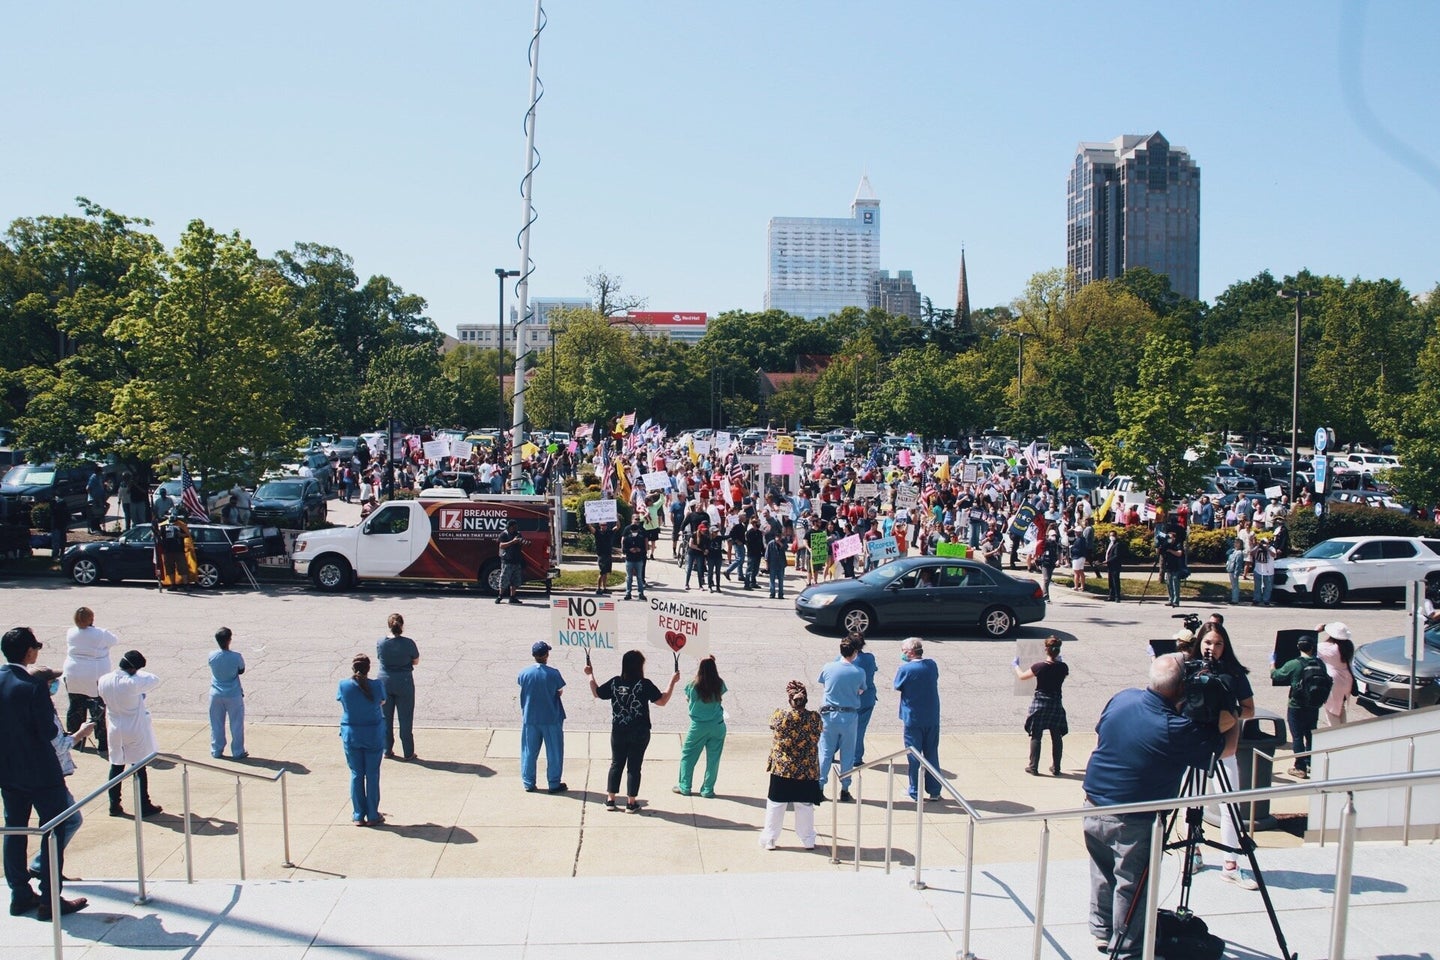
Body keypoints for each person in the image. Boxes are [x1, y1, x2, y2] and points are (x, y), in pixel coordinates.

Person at [1083, 654, 1231, 959]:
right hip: (1132, 819)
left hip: (1092, 805)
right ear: (1181, 689)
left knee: (1103, 871)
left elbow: (1104, 731)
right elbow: (1224, 750)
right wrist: (1232, 715)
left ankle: (1103, 932)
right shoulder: (1173, 728)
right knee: (1132, 886)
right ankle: (1128, 951)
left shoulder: (1123, 698)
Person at [1, 627, 88, 920]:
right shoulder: (32, 686)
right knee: (54, 830)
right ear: (29, 653)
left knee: (14, 831)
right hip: (41, 773)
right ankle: (50, 899)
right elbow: (49, 732)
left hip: (8, 773)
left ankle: (20, 894)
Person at [1194, 622, 1259, 889]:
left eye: (1218, 643)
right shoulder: (1191, 669)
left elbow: (1250, 709)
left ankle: (1230, 863)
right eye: (1208, 642)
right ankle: (1193, 852)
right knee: (1192, 802)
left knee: (1229, 805)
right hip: (1195, 744)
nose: (1212, 648)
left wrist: (1229, 714)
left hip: (1224, 746)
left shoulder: (1234, 674)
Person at [585, 649, 678, 813]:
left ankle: (611, 800)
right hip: (640, 731)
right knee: (634, 766)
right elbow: (662, 701)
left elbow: (597, 692)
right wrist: (672, 682)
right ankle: (631, 802)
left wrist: (590, 675)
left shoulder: (615, 683)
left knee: (616, 763)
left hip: (619, 730)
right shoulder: (644, 684)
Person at [758, 680, 823, 851]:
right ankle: (808, 839)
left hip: (782, 768)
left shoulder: (780, 716)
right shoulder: (814, 718)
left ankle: (770, 839)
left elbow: (772, 724)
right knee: (805, 806)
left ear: (790, 700)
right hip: (806, 769)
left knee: (776, 804)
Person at [97, 650, 163, 819]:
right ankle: (144, 804)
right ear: (134, 669)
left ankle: (114, 804)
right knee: (139, 768)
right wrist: (138, 673)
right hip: (133, 729)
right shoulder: (132, 683)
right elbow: (154, 679)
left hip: (114, 728)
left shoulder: (104, 680)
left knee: (116, 766)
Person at [1270, 634, 1329, 779]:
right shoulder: (1320, 663)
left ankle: (1300, 766)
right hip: (1313, 705)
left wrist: (1272, 663)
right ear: (1312, 647)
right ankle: (1311, 762)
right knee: (1310, 735)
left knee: (1297, 737)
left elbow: (1276, 675)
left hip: (1296, 705)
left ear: (1298, 647)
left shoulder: (1294, 664)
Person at [337, 653, 386, 825]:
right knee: (372, 774)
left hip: (352, 735)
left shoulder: (344, 685)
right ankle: (372, 813)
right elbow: (382, 701)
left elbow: (341, 701)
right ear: (368, 669)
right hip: (372, 734)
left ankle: (358, 813)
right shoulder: (376, 685)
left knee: (357, 774)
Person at [816, 636, 867, 803]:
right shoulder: (859, 672)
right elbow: (861, 690)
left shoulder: (829, 667)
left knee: (825, 752)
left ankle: (819, 787)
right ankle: (845, 789)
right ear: (854, 653)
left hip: (829, 716)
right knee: (848, 754)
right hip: (849, 716)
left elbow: (824, 682)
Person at [62, 606, 116, 756]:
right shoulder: (100, 633)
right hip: (94, 674)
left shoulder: (71, 632)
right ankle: (102, 743)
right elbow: (114, 640)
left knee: (75, 705)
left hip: (73, 673)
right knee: (97, 710)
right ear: (91, 618)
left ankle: (75, 738)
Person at [894, 636, 942, 801]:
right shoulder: (931, 665)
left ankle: (914, 790)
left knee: (914, 755)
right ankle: (935, 790)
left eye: (903, 651)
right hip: (932, 716)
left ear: (910, 652)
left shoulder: (905, 669)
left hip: (913, 718)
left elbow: (897, 685)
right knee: (932, 753)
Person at [1014, 635, 1068, 776]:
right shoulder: (1063, 667)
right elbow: (1062, 673)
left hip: (1040, 703)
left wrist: (1016, 666)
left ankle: (1033, 767)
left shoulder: (1039, 667)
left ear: (1046, 649)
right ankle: (1056, 767)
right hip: (1056, 703)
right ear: (1058, 651)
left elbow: (1022, 676)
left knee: (1036, 735)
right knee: (1056, 736)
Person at [517, 640, 567, 793]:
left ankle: (528, 782)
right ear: (546, 655)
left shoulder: (524, 673)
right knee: (554, 752)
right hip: (551, 717)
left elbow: (522, 685)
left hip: (530, 717)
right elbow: (558, 690)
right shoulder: (553, 673)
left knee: (529, 751)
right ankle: (553, 783)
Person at [674, 655, 727, 798]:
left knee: (688, 756)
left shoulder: (693, 685)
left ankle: (685, 785)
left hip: (698, 726)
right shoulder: (719, 683)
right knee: (713, 759)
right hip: (717, 725)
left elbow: (688, 698)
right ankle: (708, 789)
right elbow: (721, 693)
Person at [376, 613, 420, 761]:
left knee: (386, 718)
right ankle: (408, 751)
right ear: (402, 626)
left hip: (384, 682)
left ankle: (387, 749)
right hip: (404, 681)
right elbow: (415, 661)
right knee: (405, 717)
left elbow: (380, 658)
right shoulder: (408, 643)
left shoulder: (381, 642)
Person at [207, 627, 246, 759]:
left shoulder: (212, 655)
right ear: (229, 640)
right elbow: (241, 670)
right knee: (236, 724)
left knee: (216, 723)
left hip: (215, 694)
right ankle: (237, 751)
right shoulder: (236, 656)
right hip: (233, 694)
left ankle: (216, 750)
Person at [849, 632, 879, 771]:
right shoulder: (869, 658)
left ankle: (830, 752)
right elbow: (874, 669)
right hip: (866, 699)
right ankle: (856, 757)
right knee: (860, 729)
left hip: (848, 700)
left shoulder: (844, 659)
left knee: (841, 728)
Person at [1316, 621, 1355, 727]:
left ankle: (1336, 736)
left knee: (1331, 711)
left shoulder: (1325, 647)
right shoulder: (1348, 646)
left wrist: (1316, 631)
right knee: (1340, 707)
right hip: (1347, 679)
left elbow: (1307, 645)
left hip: (1334, 681)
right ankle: (1343, 731)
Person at [495, 520, 525, 604]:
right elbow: (501, 545)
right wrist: (512, 542)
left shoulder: (517, 534)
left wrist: (521, 542)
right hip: (507, 561)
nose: (515, 528)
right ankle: (500, 596)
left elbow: (521, 543)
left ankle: (512, 597)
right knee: (504, 579)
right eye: (513, 527)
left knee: (515, 580)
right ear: (509, 527)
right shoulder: (504, 534)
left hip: (516, 560)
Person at [620, 515, 648, 601]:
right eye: (636, 519)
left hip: (639, 558)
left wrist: (642, 550)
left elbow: (645, 542)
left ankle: (641, 593)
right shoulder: (627, 531)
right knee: (629, 578)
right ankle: (628, 593)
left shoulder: (641, 532)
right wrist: (628, 550)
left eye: (639, 519)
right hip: (629, 559)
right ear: (632, 519)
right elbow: (623, 543)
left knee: (639, 577)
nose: (638, 521)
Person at [592, 519, 615, 596]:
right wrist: (587, 518)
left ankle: (604, 588)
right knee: (602, 572)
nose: (604, 526)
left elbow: (618, 527)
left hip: (608, 554)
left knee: (606, 573)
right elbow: (590, 527)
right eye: (602, 525)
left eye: (605, 525)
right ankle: (598, 588)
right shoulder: (597, 532)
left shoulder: (609, 532)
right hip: (601, 555)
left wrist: (617, 518)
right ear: (600, 525)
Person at [85, 465, 107, 534]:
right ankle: (94, 528)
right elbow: (88, 488)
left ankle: (98, 527)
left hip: (100, 498)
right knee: (95, 514)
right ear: (98, 471)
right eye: (101, 471)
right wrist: (92, 497)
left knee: (100, 513)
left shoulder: (99, 477)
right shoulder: (93, 477)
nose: (102, 472)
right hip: (95, 499)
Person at [1225, 536, 1247, 605]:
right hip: (1230, 569)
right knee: (1233, 586)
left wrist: (1236, 573)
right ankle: (1233, 598)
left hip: (1234, 571)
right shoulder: (1233, 551)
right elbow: (1228, 550)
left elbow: (1238, 564)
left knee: (1235, 586)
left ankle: (1235, 599)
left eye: (1236, 543)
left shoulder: (1239, 553)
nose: (1234, 544)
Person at [1104, 530, 1123, 602]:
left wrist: (1108, 561)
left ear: (1116, 536)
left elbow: (1116, 555)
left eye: (1113, 535)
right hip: (1110, 565)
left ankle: (1117, 597)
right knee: (1110, 581)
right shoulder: (1110, 544)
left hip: (1115, 565)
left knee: (1115, 581)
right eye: (1110, 535)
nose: (1111, 537)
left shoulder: (1117, 544)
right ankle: (1111, 595)